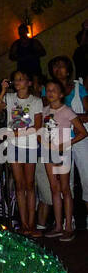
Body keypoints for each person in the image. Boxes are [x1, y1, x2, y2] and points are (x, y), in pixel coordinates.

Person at [0, 70, 43, 235]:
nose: (18, 81)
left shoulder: (35, 101)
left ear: (28, 83)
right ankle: (24, 224)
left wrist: (14, 133)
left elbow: (36, 126)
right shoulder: (10, 97)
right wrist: (3, 90)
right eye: (16, 79)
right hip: (14, 146)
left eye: (22, 79)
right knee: (19, 186)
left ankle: (32, 223)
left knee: (29, 185)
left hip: (30, 145)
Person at [41, 79, 87, 241]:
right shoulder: (45, 110)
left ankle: (68, 226)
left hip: (63, 153)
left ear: (61, 94)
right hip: (48, 153)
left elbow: (82, 132)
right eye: (48, 89)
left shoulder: (67, 111)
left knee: (65, 188)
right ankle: (58, 226)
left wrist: (66, 144)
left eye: (54, 90)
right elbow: (42, 131)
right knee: (54, 189)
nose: (50, 92)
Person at [47, 57, 88, 226]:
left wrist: (69, 117)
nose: (57, 69)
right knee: (65, 181)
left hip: (79, 137)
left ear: (69, 69)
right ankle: (66, 220)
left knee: (86, 175)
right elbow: (48, 114)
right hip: (59, 139)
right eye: (54, 66)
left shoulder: (79, 88)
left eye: (61, 66)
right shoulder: (48, 89)